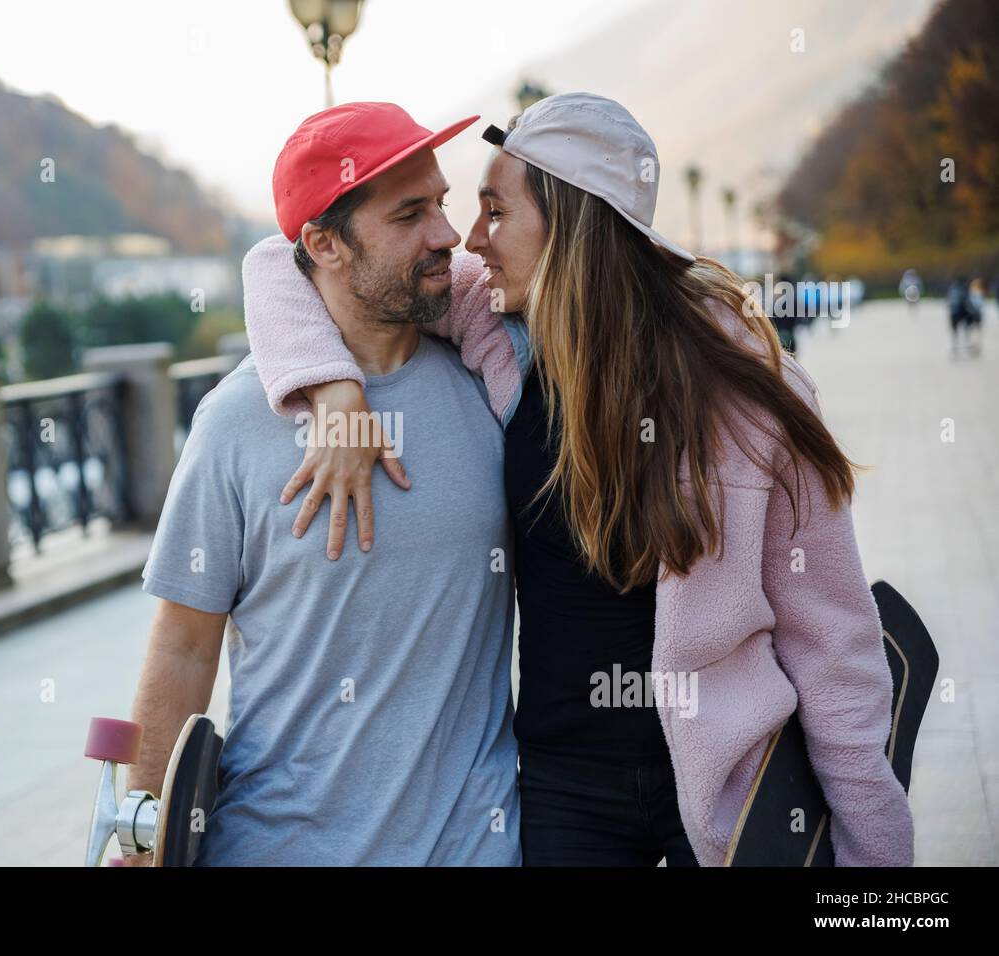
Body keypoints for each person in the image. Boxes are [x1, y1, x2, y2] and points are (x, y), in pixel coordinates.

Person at [241, 92, 913, 867]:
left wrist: (876, 866)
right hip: (565, 788)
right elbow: (285, 257)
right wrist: (334, 389)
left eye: (495, 212)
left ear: (574, 226)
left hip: (731, 779)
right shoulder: (498, 330)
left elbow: (834, 640)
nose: (470, 239)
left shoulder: (750, 389)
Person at [125, 102, 521, 866]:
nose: (446, 233)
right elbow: (181, 648)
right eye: (410, 214)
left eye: (441, 203)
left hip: (476, 846)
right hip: (277, 846)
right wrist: (140, 840)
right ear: (323, 244)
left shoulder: (491, 384)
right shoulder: (237, 422)